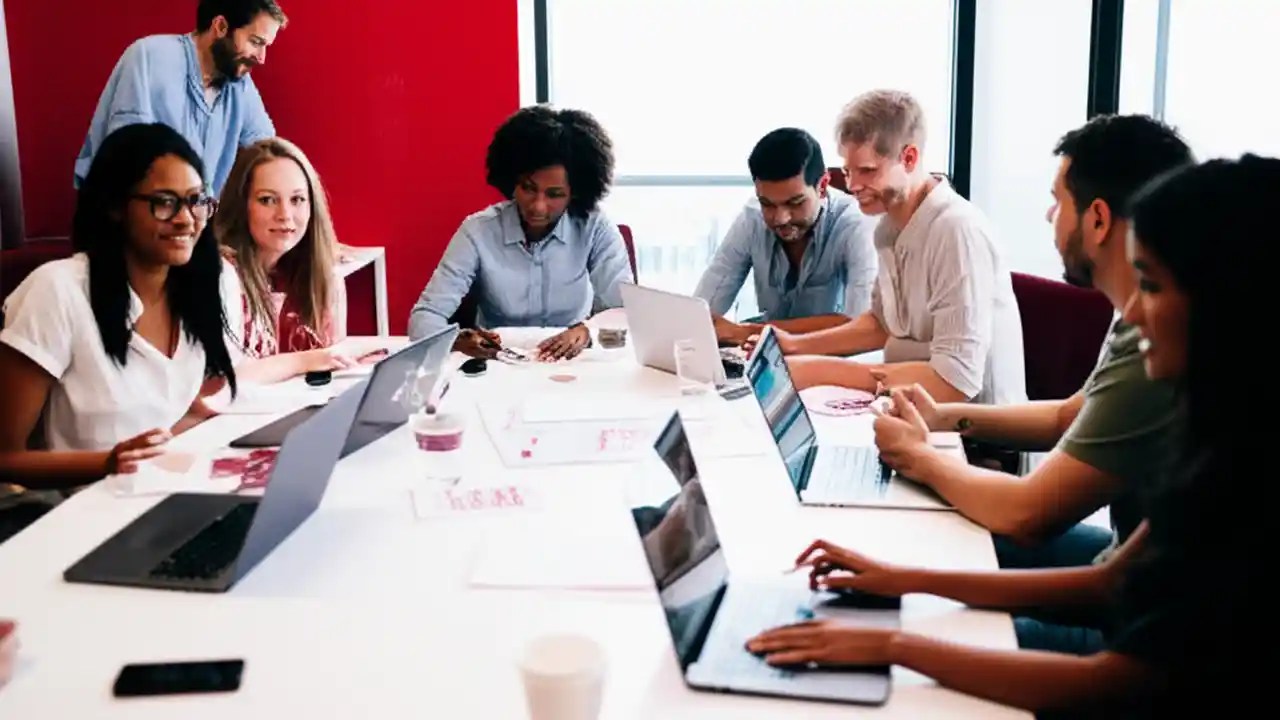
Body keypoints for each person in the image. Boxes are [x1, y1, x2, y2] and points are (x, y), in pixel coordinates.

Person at [746, 154, 1275, 718]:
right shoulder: (1213, 429)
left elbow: (1116, 681)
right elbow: (1111, 582)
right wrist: (900, 579)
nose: (1136, 316)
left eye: (1153, 286)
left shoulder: (1240, 469)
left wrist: (894, 644)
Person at [871, 115, 1194, 597]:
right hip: (1124, 569)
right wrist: (942, 417)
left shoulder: (1155, 333)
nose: (1048, 216)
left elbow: (1028, 515)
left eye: (1056, 201)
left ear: (1099, 219)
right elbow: (1068, 415)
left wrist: (919, 457)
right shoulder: (1135, 314)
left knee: (920, 573)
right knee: (917, 550)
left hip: (1142, 614)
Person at [0, 123, 238, 489]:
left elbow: (163, 428)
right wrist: (109, 463)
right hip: (82, 515)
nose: (186, 219)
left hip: (170, 498)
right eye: (164, 203)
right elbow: (6, 457)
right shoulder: (58, 290)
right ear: (115, 206)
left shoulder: (210, 281)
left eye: (196, 201)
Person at [762, 90, 1025, 406]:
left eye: (867, 171)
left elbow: (956, 381)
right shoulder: (888, 228)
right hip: (911, 408)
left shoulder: (956, 230)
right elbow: (881, 323)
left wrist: (817, 371)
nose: (853, 185)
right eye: (848, 171)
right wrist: (795, 345)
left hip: (976, 436)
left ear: (909, 158)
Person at [407, 105, 634, 360]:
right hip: (497, 364)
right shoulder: (478, 231)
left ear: (576, 192)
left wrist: (587, 331)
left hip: (571, 365)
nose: (538, 206)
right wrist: (457, 340)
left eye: (555, 194)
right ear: (512, 180)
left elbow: (624, 311)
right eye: (528, 188)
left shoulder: (595, 229)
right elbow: (424, 318)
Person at [75, 0, 288, 195]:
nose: (261, 59)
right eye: (255, 42)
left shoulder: (239, 85)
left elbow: (266, 149)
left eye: (265, 46)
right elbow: (128, 156)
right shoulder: (149, 57)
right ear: (221, 27)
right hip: (130, 218)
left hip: (190, 224)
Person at [693, 128, 877, 345]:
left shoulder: (857, 224)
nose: (780, 219)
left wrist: (751, 331)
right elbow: (703, 311)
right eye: (767, 204)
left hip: (828, 361)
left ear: (823, 186)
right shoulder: (751, 218)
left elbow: (860, 326)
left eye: (795, 203)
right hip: (763, 360)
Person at [215, 137, 356, 383]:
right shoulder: (220, 274)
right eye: (267, 200)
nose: (285, 215)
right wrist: (305, 360)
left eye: (297, 200)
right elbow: (220, 384)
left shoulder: (326, 275)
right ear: (241, 205)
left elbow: (334, 363)